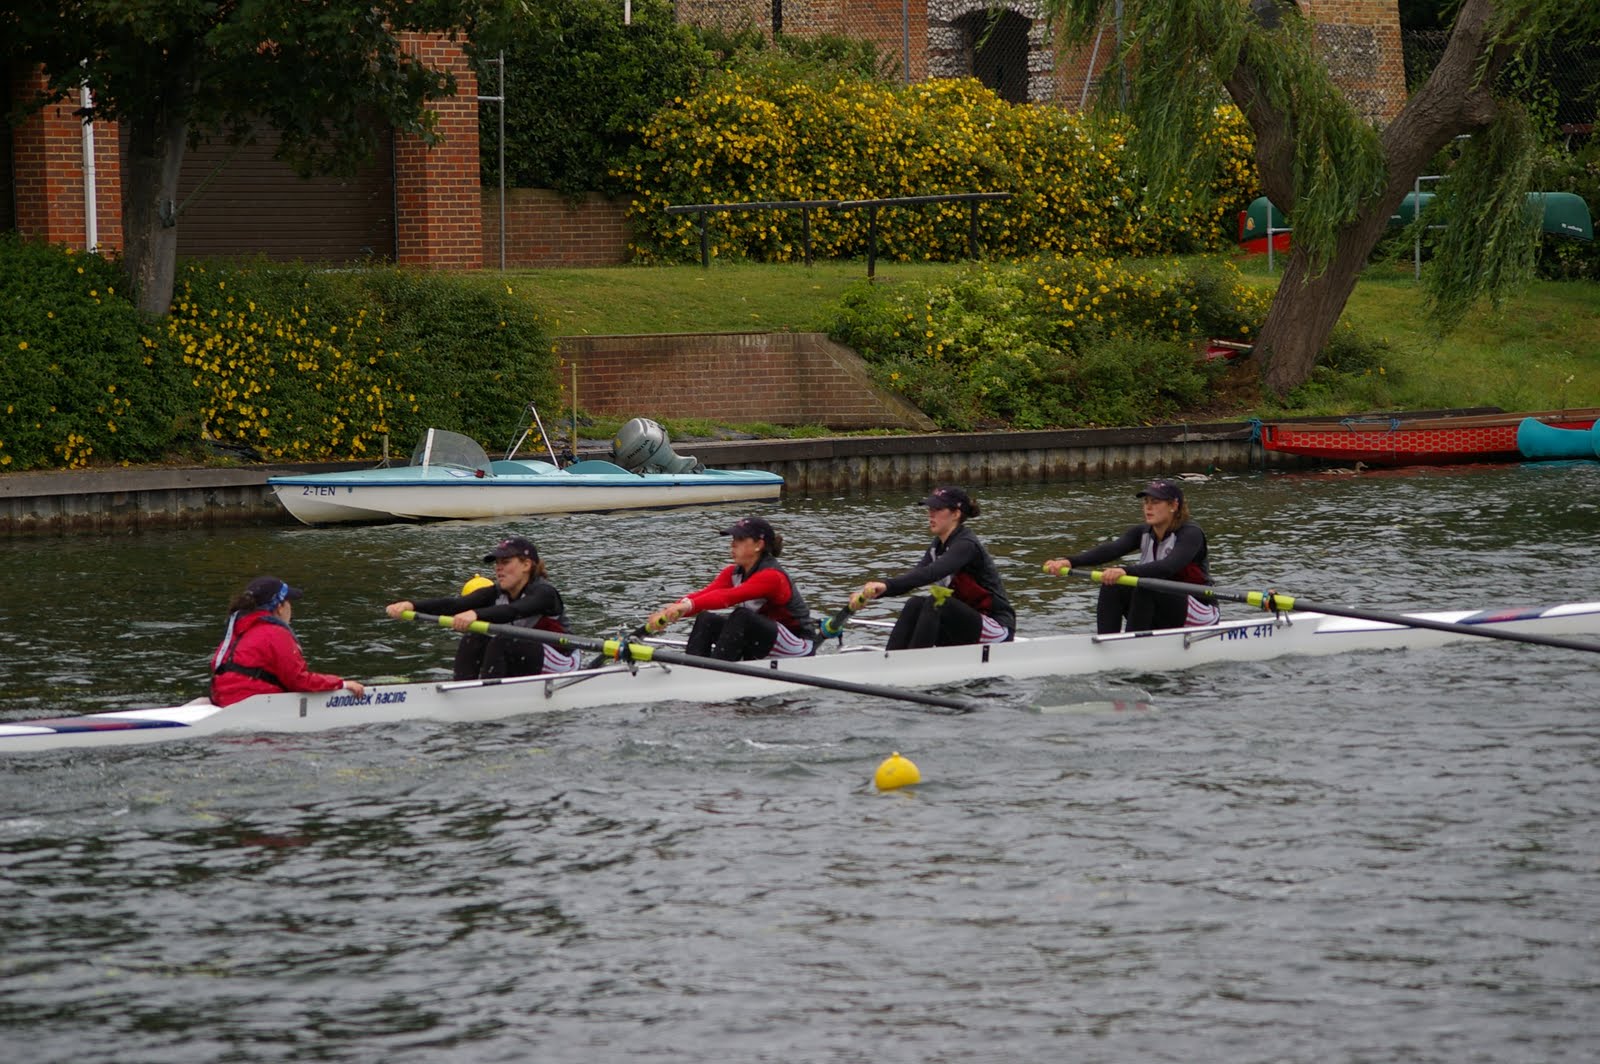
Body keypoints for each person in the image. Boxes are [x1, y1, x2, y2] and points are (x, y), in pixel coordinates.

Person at [1043, 478, 1221, 634]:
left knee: (1147, 585)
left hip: (1200, 610)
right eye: (1146, 502)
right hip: (1163, 606)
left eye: (1156, 502)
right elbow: (1111, 550)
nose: (1148, 507)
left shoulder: (1190, 534)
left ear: (1174, 505)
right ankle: (1108, 642)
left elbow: (1168, 566)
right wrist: (1069, 561)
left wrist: (1125, 570)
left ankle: (1132, 645)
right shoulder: (1142, 532)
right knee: (1112, 584)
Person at [385, 536, 577, 680]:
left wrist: (475, 614)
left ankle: (488, 695)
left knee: (502, 641)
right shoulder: (497, 592)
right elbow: (456, 604)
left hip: (562, 660)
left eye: (505, 562)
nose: (498, 568)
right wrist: (412, 605)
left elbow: (513, 611)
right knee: (474, 637)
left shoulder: (544, 593)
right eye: (497, 563)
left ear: (526, 565)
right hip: (527, 656)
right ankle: (462, 688)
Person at [850, 486, 1015, 650]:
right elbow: (915, 576)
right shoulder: (938, 545)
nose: (930, 514)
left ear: (956, 514)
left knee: (936, 601)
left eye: (937, 509)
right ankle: (892, 660)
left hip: (996, 629)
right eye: (930, 508)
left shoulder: (966, 545)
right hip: (964, 624)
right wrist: (873, 593)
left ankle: (915, 666)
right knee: (914, 604)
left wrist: (888, 584)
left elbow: (930, 573)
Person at [645, 516, 816, 660]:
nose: (733, 544)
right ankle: (695, 669)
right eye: (733, 539)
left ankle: (717, 674)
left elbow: (727, 597)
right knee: (706, 619)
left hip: (797, 645)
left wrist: (685, 606)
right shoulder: (732, 573)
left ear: (759, 545)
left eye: (740, 540)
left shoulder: (772, 576)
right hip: (763, 640)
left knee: (741, 616)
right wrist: (670, 611)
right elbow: (704, 595)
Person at [210, 576, 364, 707]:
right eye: (289, 601)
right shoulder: (275, 633)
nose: (291, 607)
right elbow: (298, 680)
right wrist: (341, 684)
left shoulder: (236, 628)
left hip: (220, 699)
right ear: (280, 607)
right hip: (254, 703)